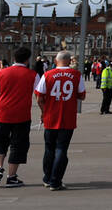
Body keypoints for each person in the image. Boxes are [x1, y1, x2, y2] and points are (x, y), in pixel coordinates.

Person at [36, 51, 85, 190]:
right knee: (61, 149)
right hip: (67, 118)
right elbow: (82, 96)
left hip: (50, 117)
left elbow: (39, 98)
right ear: (69, 61)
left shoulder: (47, 75)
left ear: (56, 61)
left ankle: (47, 177)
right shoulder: (76, 75)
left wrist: (43, 111)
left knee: (49, 148)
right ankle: (55, 180)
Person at [0, 48, 36, 188]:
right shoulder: (32, 74)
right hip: (22, 115)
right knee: (18, 145)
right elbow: (40, 94)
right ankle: (12, 176)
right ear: (27, 60)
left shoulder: (2, 73)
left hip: (3, 113)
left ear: (14, 58)